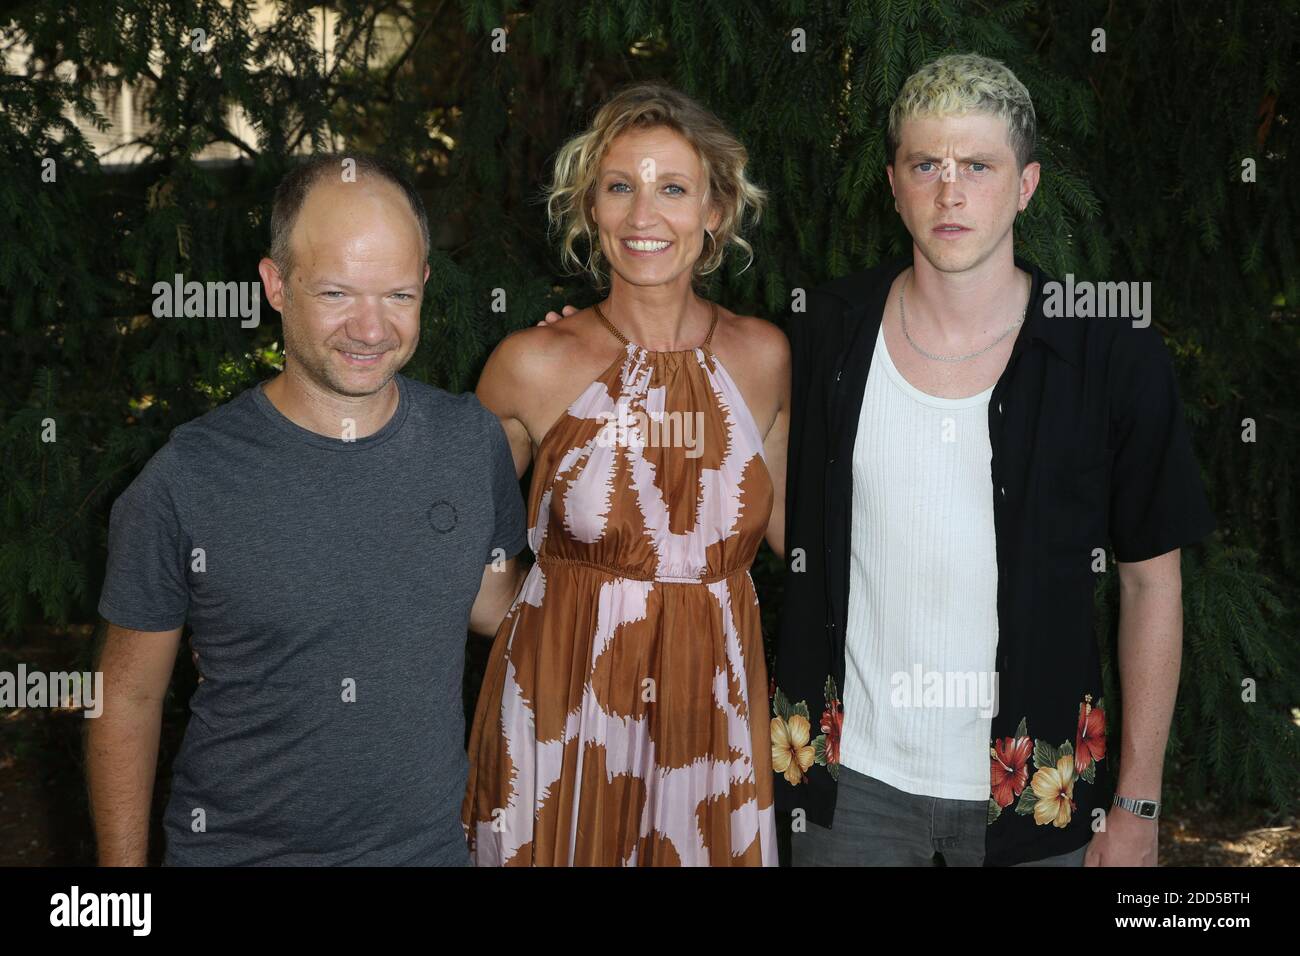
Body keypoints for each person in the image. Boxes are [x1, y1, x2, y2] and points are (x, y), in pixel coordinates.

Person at [771, 53, 1215, 866]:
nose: (950, 191)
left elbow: (1153, 581)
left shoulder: (1108, 354)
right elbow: (720, 412)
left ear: (1026, 185)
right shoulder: (823, 332)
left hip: (1037, 795)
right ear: (894, 182)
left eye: (978, 165)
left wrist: (1139, 805)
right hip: (848, 788)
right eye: (926, 164)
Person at [87, 154, 527, 866]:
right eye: (335, 293)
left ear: (423, 286)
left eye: (396, 296)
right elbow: (127, 700)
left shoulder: (469, 441)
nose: (371, 327)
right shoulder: (188, 477)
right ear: (276, 285)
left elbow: (496, 604)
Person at [461, 81, 789, 866]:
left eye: (672, 188)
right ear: (591, 209)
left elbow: (812, 546)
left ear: (715, 211)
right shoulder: (532, 364)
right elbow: (446, 543)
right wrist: (544, 617)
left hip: (713, 726)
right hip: (559, 719)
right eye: (620, 188)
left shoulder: (765, 357)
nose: (644, 217)